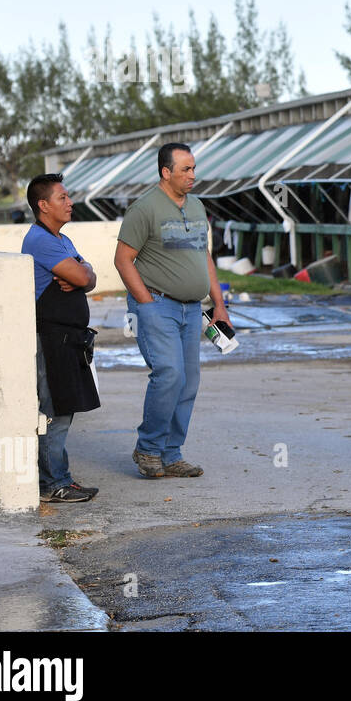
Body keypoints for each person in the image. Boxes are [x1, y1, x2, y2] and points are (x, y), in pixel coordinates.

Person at [114, 143, 231, 479]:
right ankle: (148, 449)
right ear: (166, 172)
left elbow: (204, 257)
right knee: (169, 375)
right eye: (185, 170)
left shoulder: (196, 207)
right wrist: (146, 305)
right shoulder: (144, 209)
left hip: (192, 310)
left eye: (194, 168)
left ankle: (171, 454)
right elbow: (123, 260)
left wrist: (219, 305)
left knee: (188, 382)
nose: (193, 175)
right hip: (157, 305)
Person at [22, 174, 101, 503]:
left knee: (65, 409)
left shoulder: (61, 240)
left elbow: (89, 277)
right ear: (43, 205)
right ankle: (53, 483)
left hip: (70, 339)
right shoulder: (41, 240)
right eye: (63, 198)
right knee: (53, 410)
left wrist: (82, 273)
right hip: (52, 340)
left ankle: (61, 477)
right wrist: (82, 273)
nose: (70, 203)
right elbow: (84, 274)